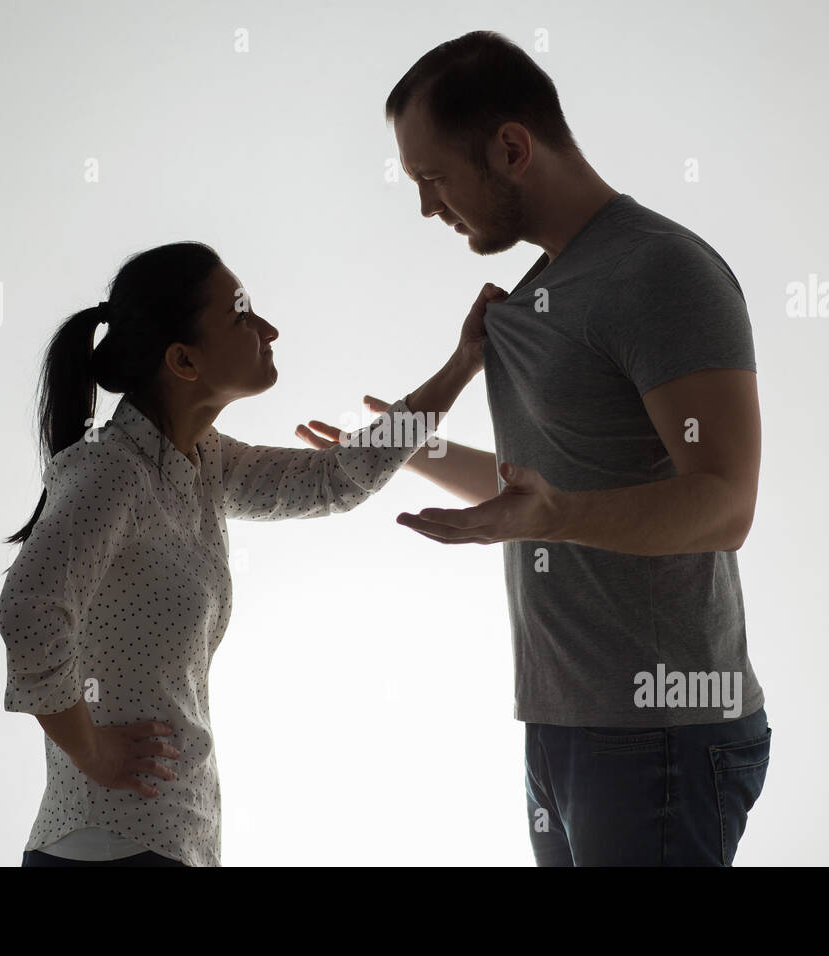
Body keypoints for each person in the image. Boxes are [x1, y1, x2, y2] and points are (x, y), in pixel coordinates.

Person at [301, 31, 771, 866]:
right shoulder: (539, 290)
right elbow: (549, 488)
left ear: (512, 148)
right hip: (563, 721)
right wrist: (405, 449)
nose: (426, 209)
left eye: (433, 179)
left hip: (662, 730)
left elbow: (726, 503)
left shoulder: (662, 273)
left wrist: (553, 514)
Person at [0, 241, 503, 866]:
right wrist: (91, 751)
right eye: (241, 317)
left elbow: (336, 478)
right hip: (110, 846)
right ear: (183, 359)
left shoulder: (203, 459)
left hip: (172, 838)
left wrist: (462, 364)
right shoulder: (110, 470)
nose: (269, 329)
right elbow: (28, 609)